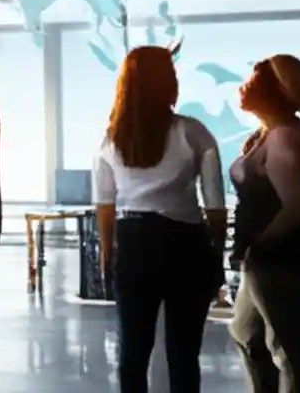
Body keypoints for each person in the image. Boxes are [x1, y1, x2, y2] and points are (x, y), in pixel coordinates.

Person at [92, 46, 227, 393]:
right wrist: (216, 254)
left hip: (133, 241)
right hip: (186, 243)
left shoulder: (111, 139)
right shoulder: (193, 132)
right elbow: (214, 205)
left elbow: (105, 204)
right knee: (184, 355)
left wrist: (108, 254)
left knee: (133, 354)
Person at [228, 55, 300, 393]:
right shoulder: (265, 134)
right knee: (248, 334)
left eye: (254, 81)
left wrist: (259, 246)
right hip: (266, 261)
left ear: (273, 91)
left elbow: (299, 205)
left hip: (285, 260)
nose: (243, 86)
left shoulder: (286, 138)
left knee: (293, 349)